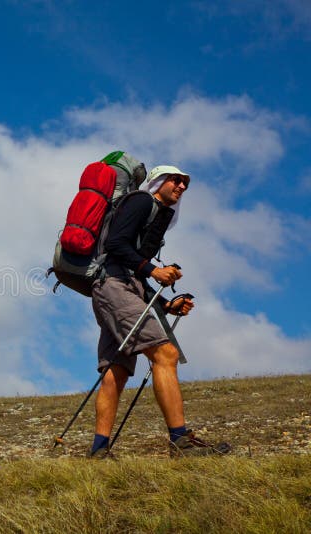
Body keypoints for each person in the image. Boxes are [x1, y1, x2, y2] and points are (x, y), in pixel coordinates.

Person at [89, 166, 231, 458]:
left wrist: (166, 304)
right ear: (159, 180)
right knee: (166, 354)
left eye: (185, 183)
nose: (181, 186)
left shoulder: (156, 215)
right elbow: (116, 245)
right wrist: (154, 270)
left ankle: (99, 451)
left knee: (116, 370)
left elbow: (135, 271)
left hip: (117, 287)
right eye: (176, 180)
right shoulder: (142, 201)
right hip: (115, 287)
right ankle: (180, 442)